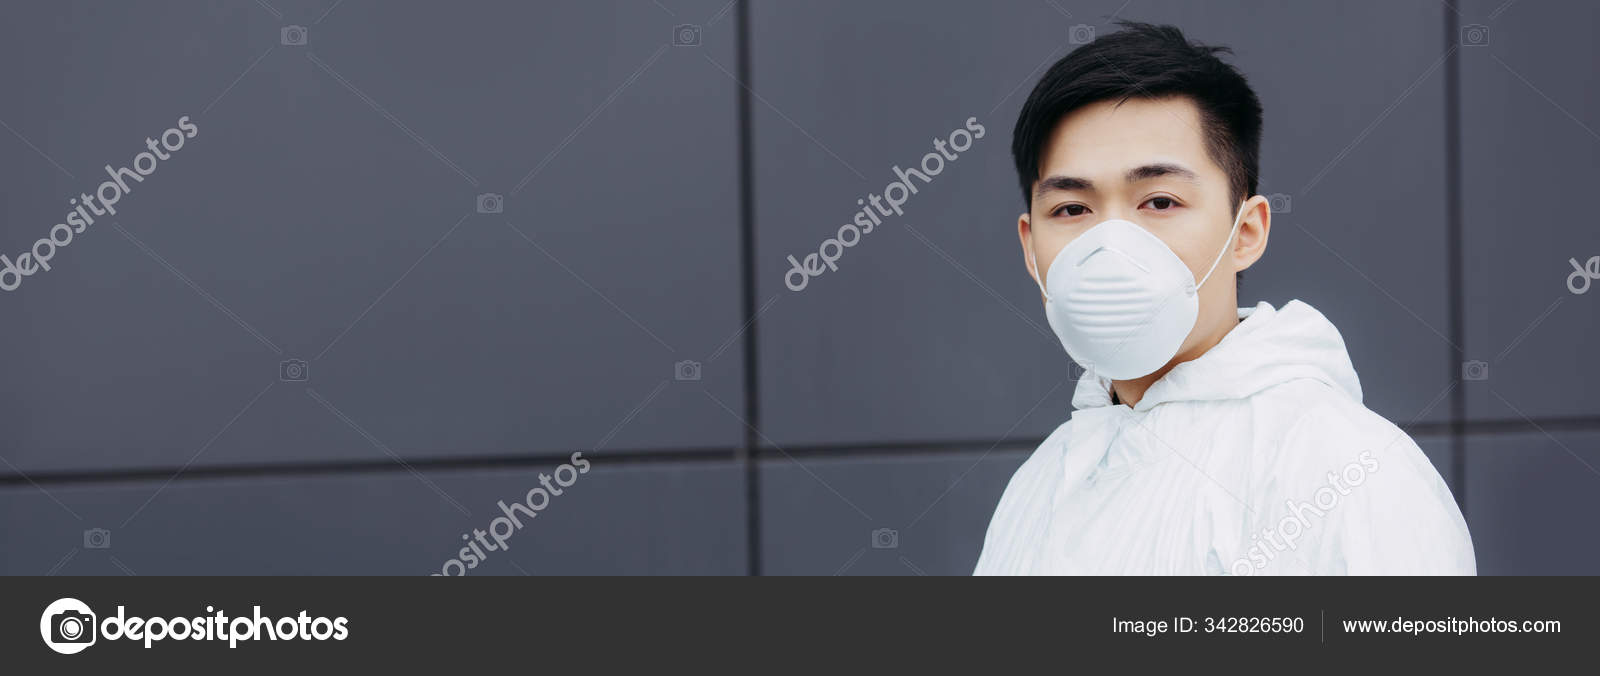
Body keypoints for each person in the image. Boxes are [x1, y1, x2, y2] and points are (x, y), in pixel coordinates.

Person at [973, 22, 1473, 575]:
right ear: (1030, 248)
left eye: (1159, 201)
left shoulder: (1345, 472)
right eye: (1071, 209)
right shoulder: (1039, 487)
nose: (1111, 246)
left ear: (1246, 232)